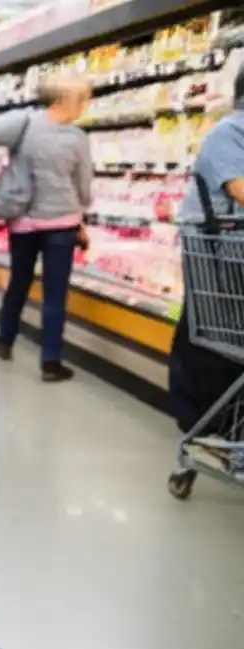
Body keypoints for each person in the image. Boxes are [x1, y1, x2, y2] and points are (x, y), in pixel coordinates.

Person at [0, 76, 93, 382]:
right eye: (84, 99)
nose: (86, 106)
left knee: (19, 282)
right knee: (55, 294)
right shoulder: (77, 137)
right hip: (62, 223)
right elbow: (83, 184)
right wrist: (82, 212)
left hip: (23, 221)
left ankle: (5, 339)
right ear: (66, 100)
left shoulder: (24, 123)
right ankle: (50, 361)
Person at [170, 64, 244, 433]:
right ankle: (208, 421)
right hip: (217, 254)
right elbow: (241, 190)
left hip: (236, 256)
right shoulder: (228, 132)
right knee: (215, 340)